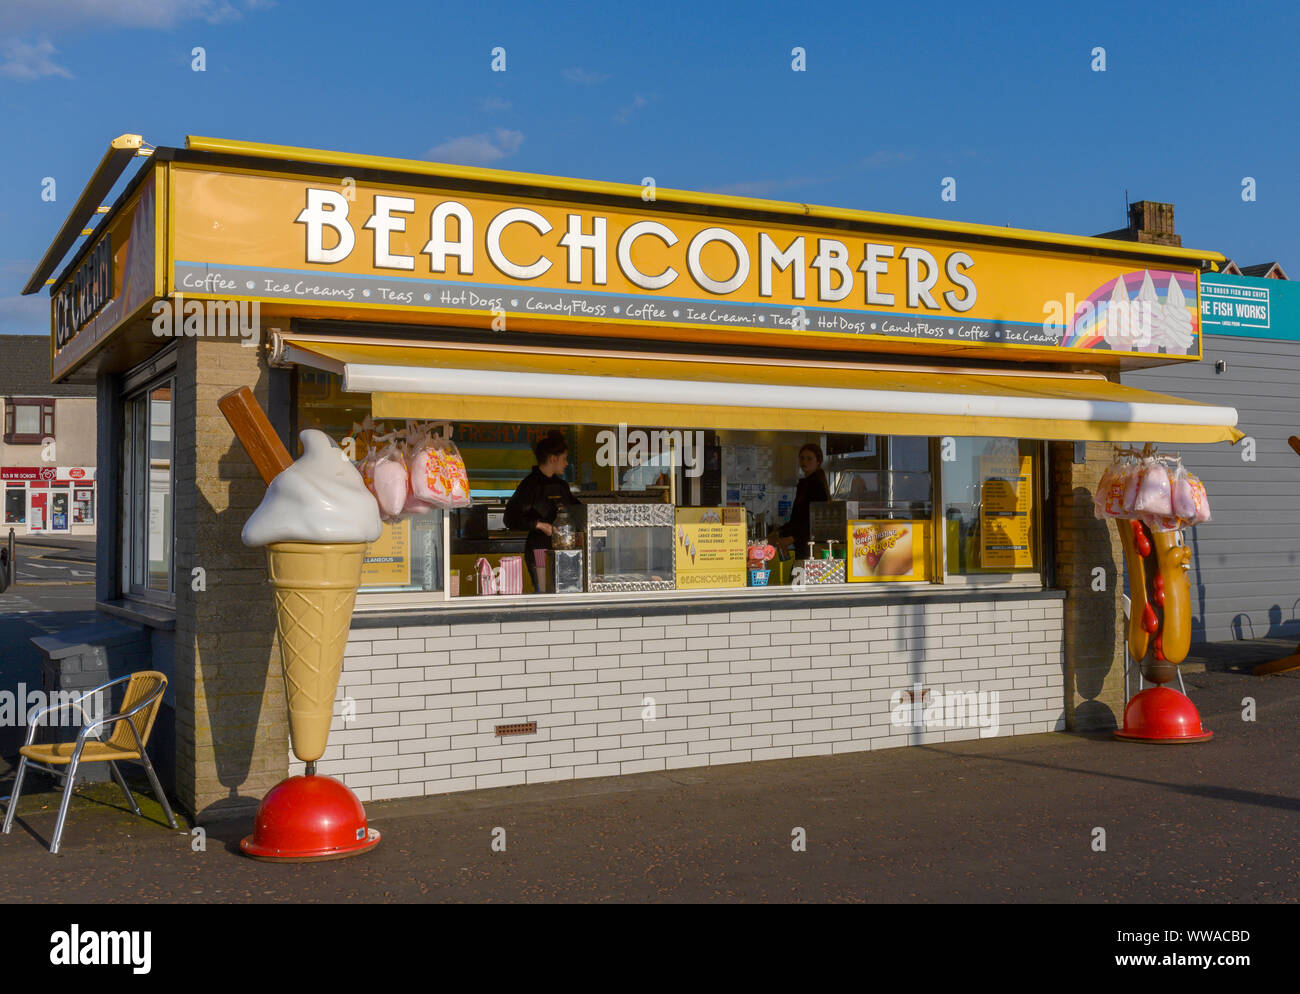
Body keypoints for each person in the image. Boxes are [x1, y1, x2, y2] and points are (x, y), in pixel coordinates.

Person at [505, 429, 581, 592]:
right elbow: (510, 518)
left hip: (565, 551)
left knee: (568, 591)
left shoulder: (562, 486)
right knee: (544, 592)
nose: (566, 463)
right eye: (564, 459)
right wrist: (540, 525)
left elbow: (576, 511)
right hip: (539, 550)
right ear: (553, 459)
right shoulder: (530, 485)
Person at [775, 443, 830, 555]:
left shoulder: (816, 485)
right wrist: (780, 530)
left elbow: (814, 520)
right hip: (803, 542)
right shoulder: (805, 484)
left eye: (809, 459)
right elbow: (798, 518)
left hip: (811, 545)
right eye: (802, 458)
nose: (804, 462)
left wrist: (792, 538)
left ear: (818, 462)